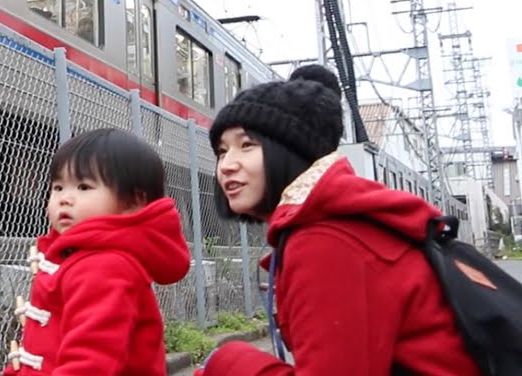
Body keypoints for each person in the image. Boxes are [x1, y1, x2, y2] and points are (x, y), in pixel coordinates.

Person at [196, 65, 479, 375]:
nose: (226, 165)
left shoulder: (326, 241)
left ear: (291, 152)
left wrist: (228, 363)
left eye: (246, 145)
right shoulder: (337, 225)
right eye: (221, 151)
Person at [4, 127, 190, 376]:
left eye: (83, 187)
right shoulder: (79, 258)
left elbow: (91, 362)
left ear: (133, 202)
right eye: (58, 187)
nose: (64, 198)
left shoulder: (106, 268)